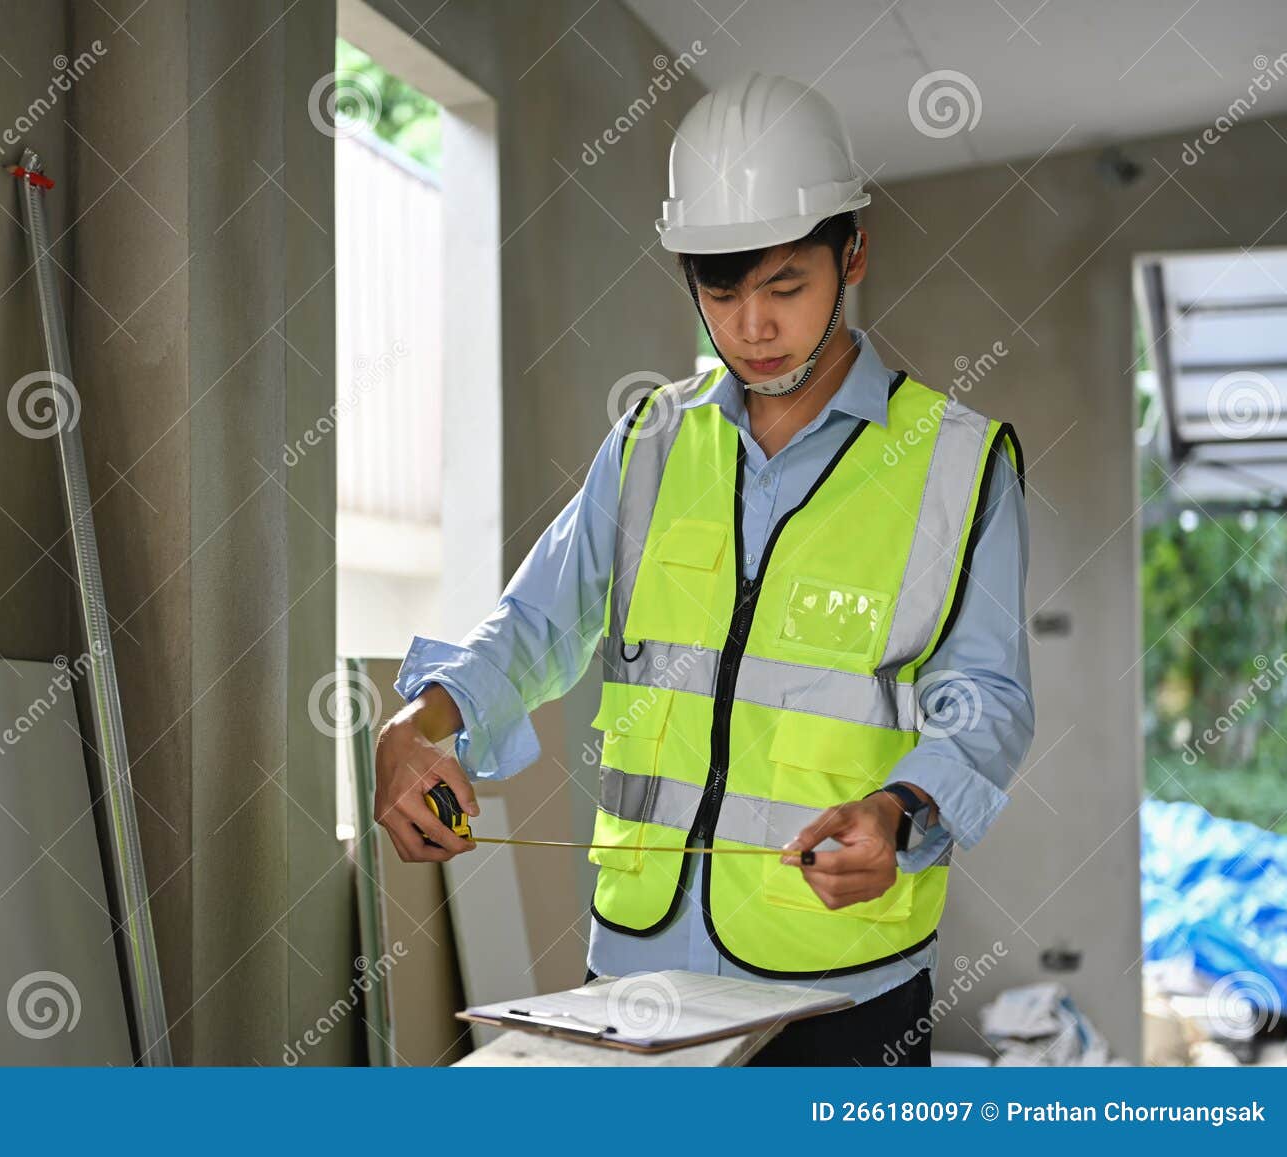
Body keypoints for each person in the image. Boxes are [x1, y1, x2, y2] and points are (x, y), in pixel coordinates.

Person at [372, 73, 1033, 1066]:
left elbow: (983, 699)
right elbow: (537, 623)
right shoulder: (648, 439)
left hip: (840, 994)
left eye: (784, 286)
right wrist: (423, 718)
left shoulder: (959, 461)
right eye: (719, 292)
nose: (751, 328)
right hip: (637, 975)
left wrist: (902, 811)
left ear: (852, 253)